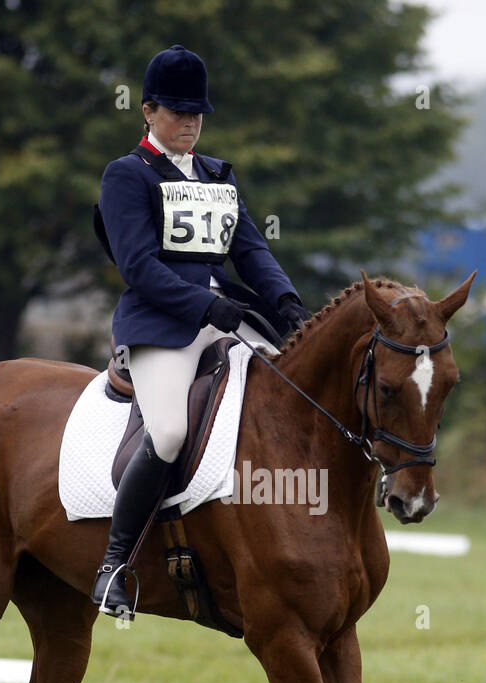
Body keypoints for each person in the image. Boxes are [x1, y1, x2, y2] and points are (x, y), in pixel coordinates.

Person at [91, 44, 310, 619]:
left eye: (197, 114)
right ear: (148, 111)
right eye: (178, 113)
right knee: (166, 433)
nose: (189, 124)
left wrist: (286, 303)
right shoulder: (126, 176)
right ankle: (113, 564)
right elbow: (138, 267)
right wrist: (204, 309)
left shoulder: (216, 175)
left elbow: (251, 250)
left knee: (297, 393)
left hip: (223, 319)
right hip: (161, 326)